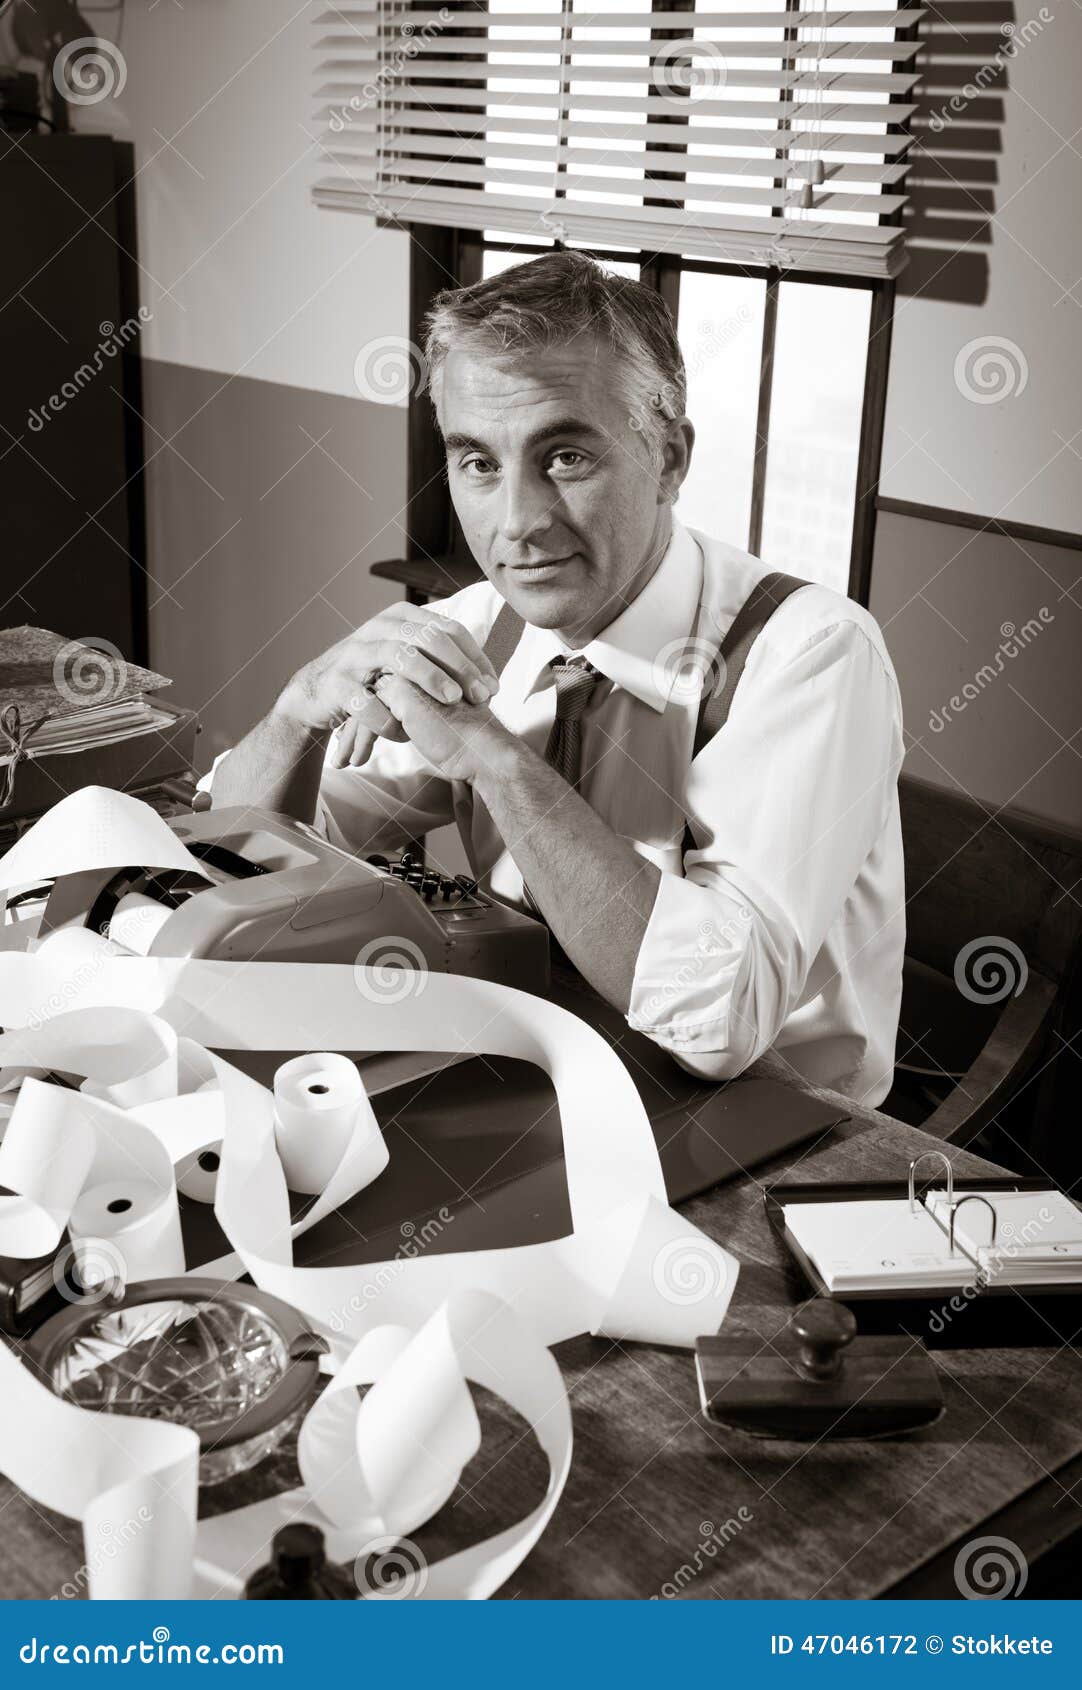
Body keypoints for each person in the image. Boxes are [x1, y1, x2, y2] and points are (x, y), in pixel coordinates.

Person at [211, 251, 905, 1106]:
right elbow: (225, 857)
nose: (519, 526)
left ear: (670, 459)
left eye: (568, 457)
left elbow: (721, 1023)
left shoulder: (809, 654)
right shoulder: (477, 625)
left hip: (777, 1131)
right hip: (548, 1069)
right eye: (478, 462)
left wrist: (496, 761)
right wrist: (294, 717)